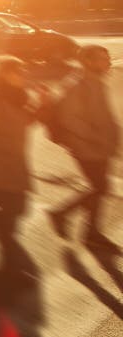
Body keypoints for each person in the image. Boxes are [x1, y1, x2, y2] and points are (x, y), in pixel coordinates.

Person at [0, 56, 43, 274]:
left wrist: (42, 102)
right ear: (4, 75)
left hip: (17, 163)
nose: (24, 75)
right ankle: (8, 261)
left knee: (18, 208)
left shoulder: (18, 97)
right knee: (11, 211)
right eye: (19, 71)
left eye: (23, 71)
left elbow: (26, 122)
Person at [48, 45, 120, 250]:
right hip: (86, 147)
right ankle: (64, 216)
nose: (108, 63)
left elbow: (104, 115)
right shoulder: (77, 85)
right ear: (88, 61)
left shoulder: (96, 82)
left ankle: (88, 231)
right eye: (102, 59)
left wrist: (115, 135)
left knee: (100, 188)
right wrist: (96, 137)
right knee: (100, 187)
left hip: (100, 145)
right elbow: (69, 119)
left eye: (107, 58)